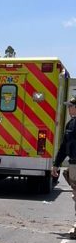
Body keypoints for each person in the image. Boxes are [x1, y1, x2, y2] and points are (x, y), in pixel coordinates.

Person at [53, 97, 76, 235]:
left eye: (70, 106)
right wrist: (56, 164)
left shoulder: (72, 124)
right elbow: (64, 146)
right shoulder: (70, 124)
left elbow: (64, 146)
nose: (68, 109)